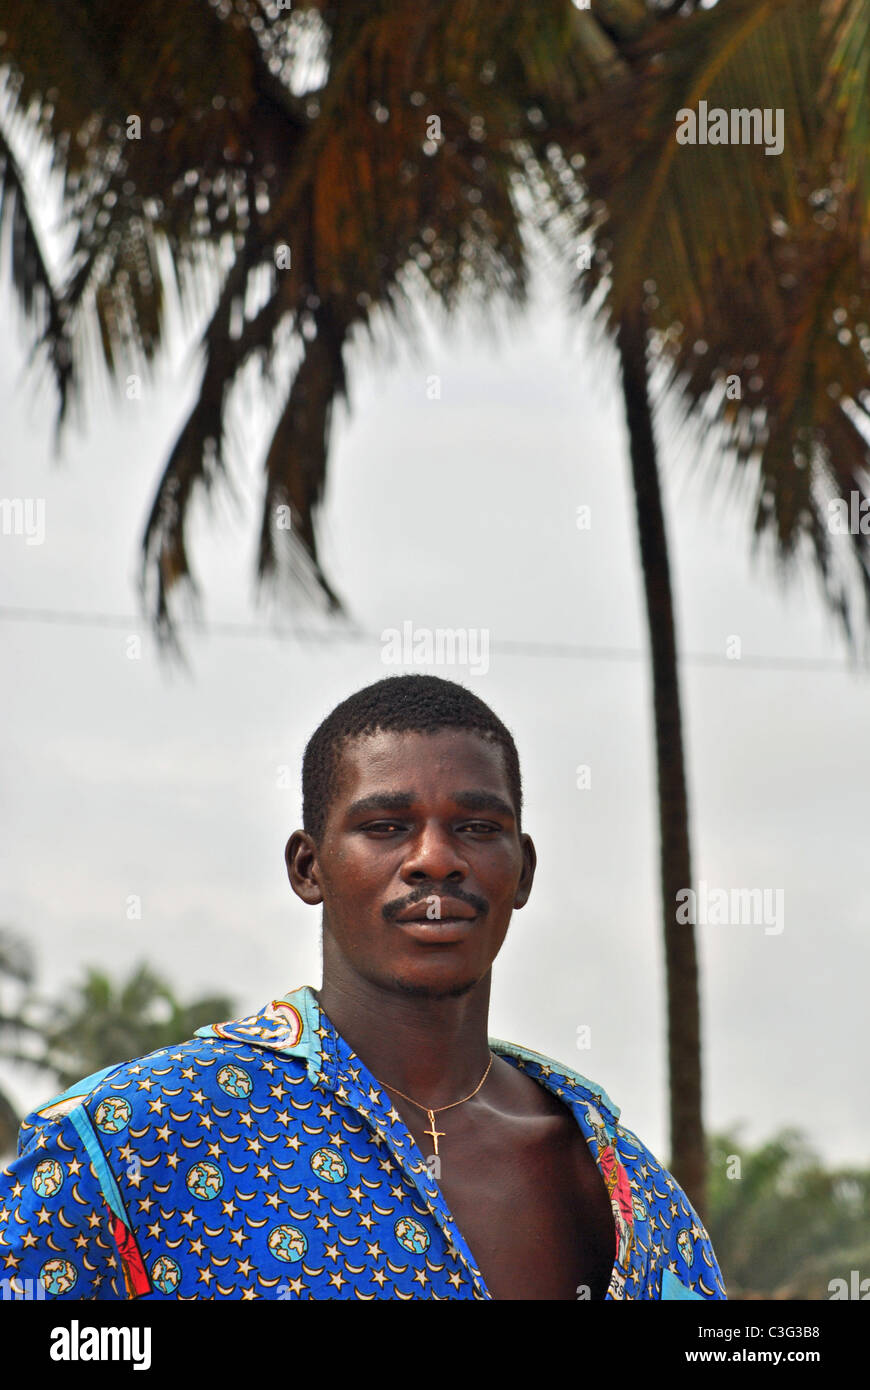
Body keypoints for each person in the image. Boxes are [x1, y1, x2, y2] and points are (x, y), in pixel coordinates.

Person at [0, 675, 726, 1300]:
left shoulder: (629, 1186)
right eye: (385, 826)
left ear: (524, 871)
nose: (435, 859)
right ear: (308, 868)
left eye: (476, 826)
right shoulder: (133, 1141)